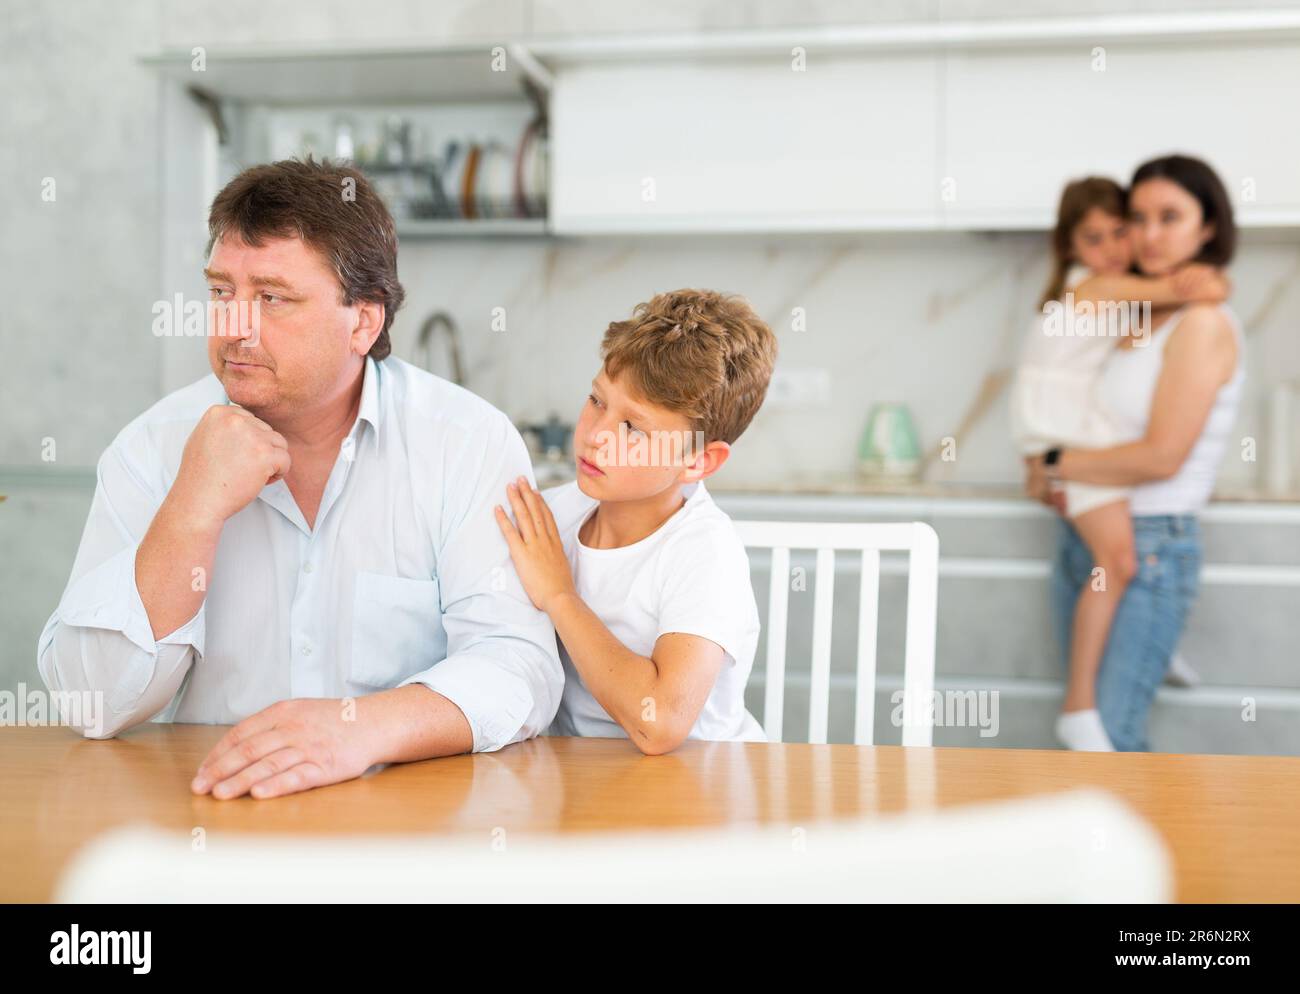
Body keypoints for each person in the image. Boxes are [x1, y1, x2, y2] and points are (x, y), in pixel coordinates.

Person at [37, 158, 563, 799]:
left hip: (404, 826)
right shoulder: (151, 446)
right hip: (215, 816)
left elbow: (520, 667)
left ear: (363, 322)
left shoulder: (467, 441)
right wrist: (191, 510)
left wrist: (360, 730)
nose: (234, 327)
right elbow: (93, 703)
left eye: (272, 298)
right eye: (222, 293)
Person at [1025, 154, 1244, 752]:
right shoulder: (1140, 314)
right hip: (1092, 529)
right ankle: (1156, 648)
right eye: (1137, 218)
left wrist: (1050, 465)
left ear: (1207, 228)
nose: (1147, 234)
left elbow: (1159, 459)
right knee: (1092, 749)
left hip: (1148, 545)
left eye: (1169, 217)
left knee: (1110, 745)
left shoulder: (1201, 323)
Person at [495, 289, 776, 754]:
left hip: (696, 793)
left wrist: (560, 596)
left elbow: (660, 723)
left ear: (698, 462)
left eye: (633, 428)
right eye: (597, 400)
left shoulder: (705, 551)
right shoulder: (553, 517)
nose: (596, 436)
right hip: (584, 780)